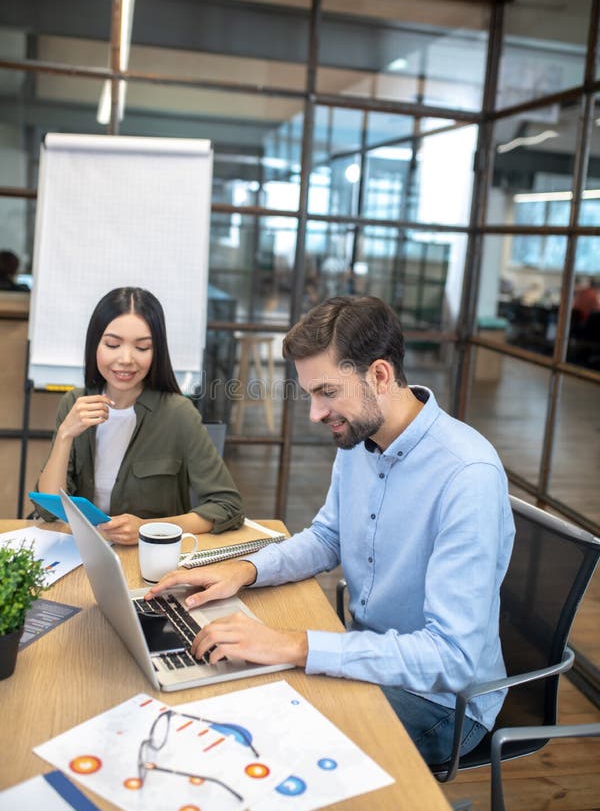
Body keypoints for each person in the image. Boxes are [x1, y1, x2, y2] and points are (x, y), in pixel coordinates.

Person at [147, 295, 515, 764]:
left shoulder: (467, 475)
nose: (315, 414)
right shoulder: (361, 438)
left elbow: (451, 658)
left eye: (327, 392)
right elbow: (328, 538)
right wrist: (242, 570)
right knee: (233, 691)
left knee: (267, 738)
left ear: (379, 376)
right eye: (311, 395)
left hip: (441, 703)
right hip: (369, 658)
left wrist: (296, 645)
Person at [37, 286, 244, 545]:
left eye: (142, 347)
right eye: (112, 344)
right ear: (95, 345)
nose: (126, 359)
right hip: (84, 553)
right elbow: (48, 510)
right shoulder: (74, 403)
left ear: (156, 352)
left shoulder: (178, 413)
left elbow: (228, 506)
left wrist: (148, 528)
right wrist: (66, 435)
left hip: (152, 558)